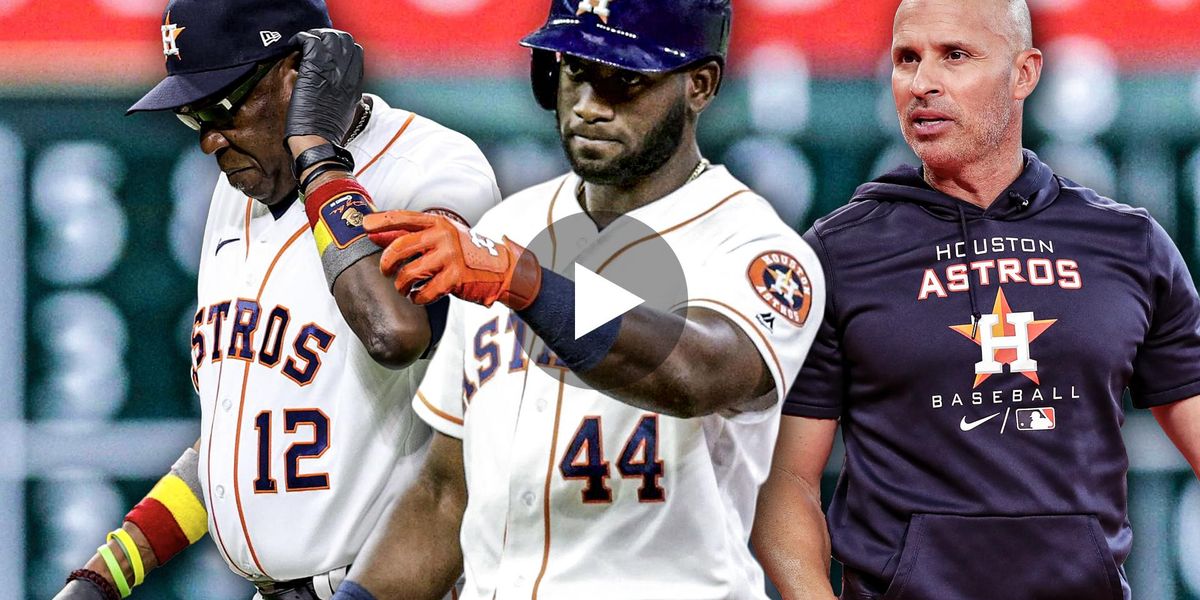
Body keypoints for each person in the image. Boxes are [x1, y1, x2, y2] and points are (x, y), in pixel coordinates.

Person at [307, 1, 825, 599]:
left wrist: (520, 281)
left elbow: (696, 372)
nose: (589, 105)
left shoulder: (752, 246)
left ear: (700, 86)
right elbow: (446, 496)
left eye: (626, 78)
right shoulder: (509, 227)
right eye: (578, 70)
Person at [752, 1, 1200, 599]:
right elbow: (785, 480)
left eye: (954, 56)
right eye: (906, 59)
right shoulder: (838, 254)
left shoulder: (1128, 243)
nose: (922, 83)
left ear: (1024, 74)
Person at [51, 1, 498, 599]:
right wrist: (107, 576)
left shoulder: (433, 166)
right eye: (192, 116)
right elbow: (235, 440)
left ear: (303, 72)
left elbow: (396, 331)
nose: (210, 140)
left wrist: (316, 152)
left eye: (223, 106)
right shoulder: (235, 191)